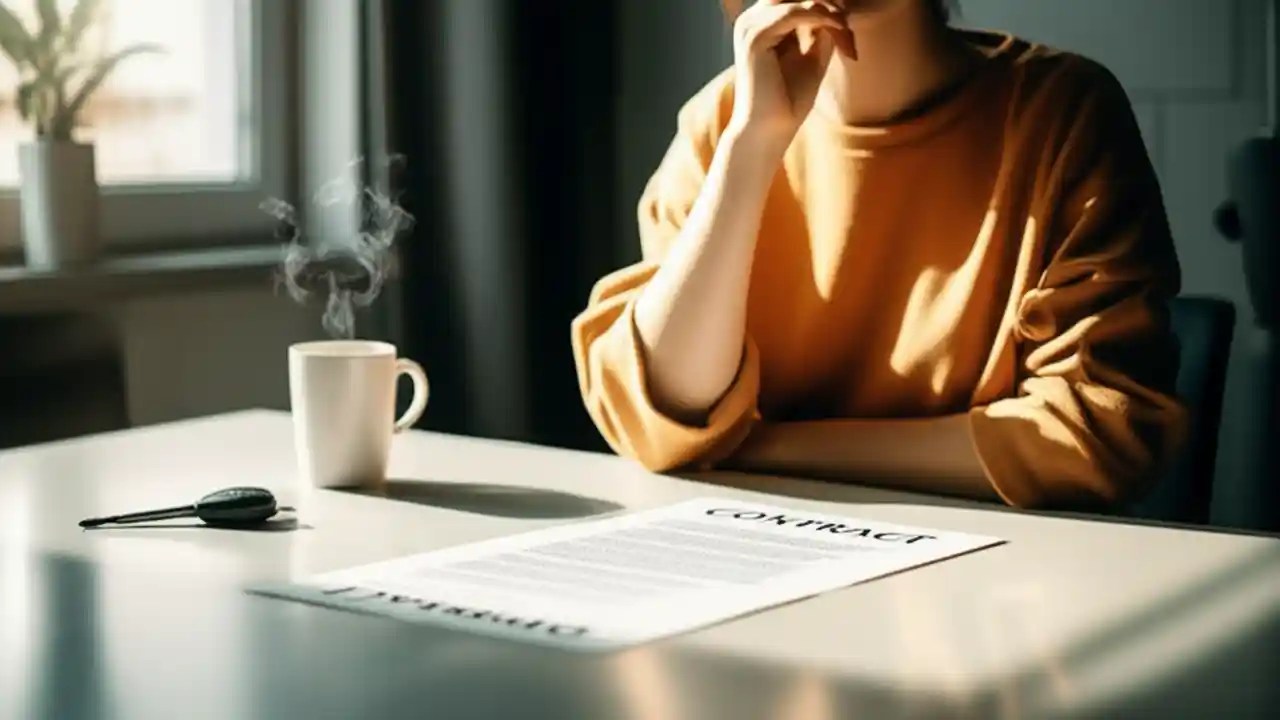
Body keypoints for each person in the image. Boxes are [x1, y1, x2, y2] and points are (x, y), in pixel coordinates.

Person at [571, 0, 1185, 509]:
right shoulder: (724, 124)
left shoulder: (1062, 113)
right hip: (752, 558)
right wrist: (753, 148)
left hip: (997, 585)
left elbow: (1095, 431)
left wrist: (760, 449)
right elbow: (662, 414)